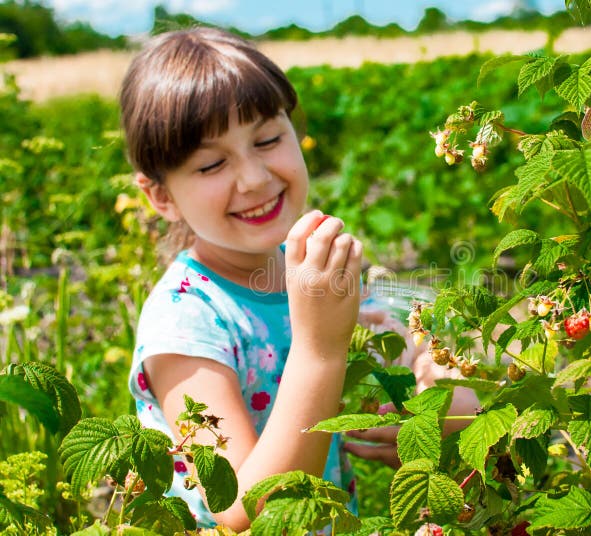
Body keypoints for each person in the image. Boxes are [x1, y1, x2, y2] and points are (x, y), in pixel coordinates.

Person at [122, 27, 477, 531]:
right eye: (212, 164)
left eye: (268, 139)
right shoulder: (186, 322)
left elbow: (450, 389)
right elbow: (243, 509)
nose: (255, 178)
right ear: (159, 195)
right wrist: (320, 348)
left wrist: (427, 418)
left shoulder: (309, 266)